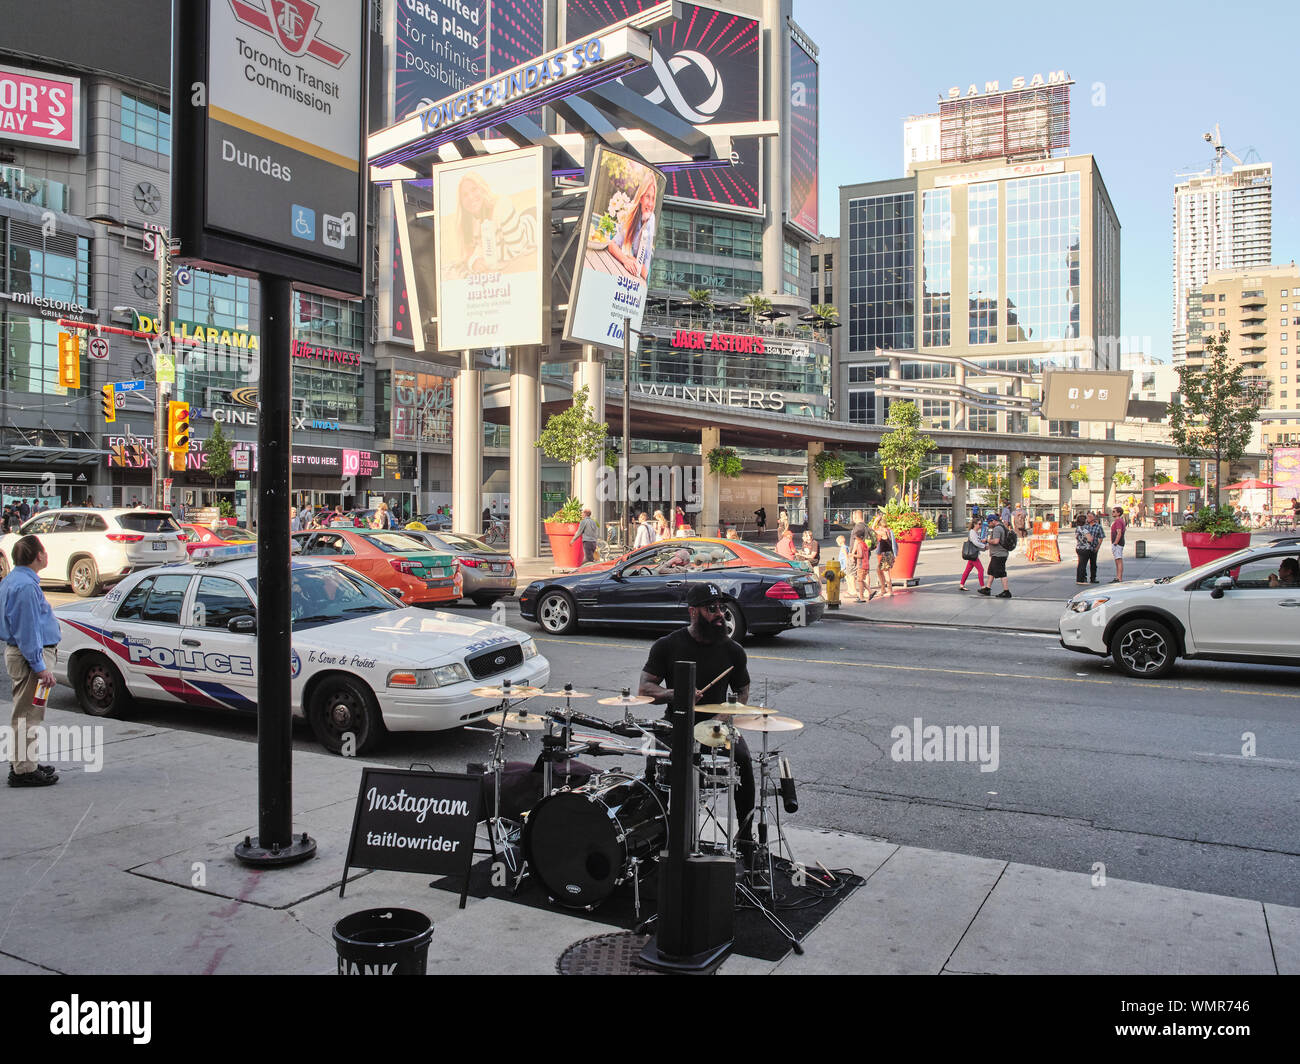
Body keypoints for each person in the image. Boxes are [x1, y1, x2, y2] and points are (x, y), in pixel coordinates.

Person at [638, 581, 755, 857]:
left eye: (721, 608)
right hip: (676, 722)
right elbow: (645, 690)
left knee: (745, 762)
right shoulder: (668, 645)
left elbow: (742, 692)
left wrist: (720, 717)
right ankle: (656, 831)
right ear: (693, 612)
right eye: (711, 608)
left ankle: (746, 836)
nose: (719, 614)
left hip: (716, 726)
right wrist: (676, 694)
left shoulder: (732, 650)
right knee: (654, 768)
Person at [0, 536, 61, 786]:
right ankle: (23, 771)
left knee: (29, 712)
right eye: (44, 552)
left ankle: (26, 763)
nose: (46, 556)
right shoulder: (25, 586)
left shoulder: (14, 580)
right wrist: (40, 667)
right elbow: (28, 630)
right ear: (38, 556)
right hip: (30, 659)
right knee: (28, 714)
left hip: (26, 656)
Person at [607, 170, 659, 282]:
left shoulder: (651, 220)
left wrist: (630, 258)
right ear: (641, 198)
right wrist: (626, 259)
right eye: (647, 197)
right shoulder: (632, 215)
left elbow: (645, 273)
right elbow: (612, 245)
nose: (650, 204)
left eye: (653, 198)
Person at [982, 514, 1012, 598]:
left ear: (993, 521)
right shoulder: (1003, 527)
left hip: (999, 554)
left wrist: (986, 540)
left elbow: (995, 541)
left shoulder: (997, 529)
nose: (988, 524)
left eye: (989, 522)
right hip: (999, 553)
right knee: (991, 571)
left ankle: (1006, 591)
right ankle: (987, 588)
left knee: (1001, 573)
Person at [959, 515, 987, 592]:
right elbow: (975, 543)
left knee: (967, 570)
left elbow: (977, 542)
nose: (980, 525)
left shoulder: (975, 532)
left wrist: (982, 542)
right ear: (975, 524)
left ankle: (962, 584)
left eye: (981, 524)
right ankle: (983, 586)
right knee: (981, 570)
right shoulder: (972, 532)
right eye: (979, 524)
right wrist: (984, 546)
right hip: (973, 554)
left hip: (973, 554)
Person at [871, 515, 895, 599]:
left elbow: (872, 529)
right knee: (879, 570)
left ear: (880, 525)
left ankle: (890, 590)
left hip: (886, 554)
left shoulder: (883, 532)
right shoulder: (888, 530)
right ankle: (883, 588)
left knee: (886, 572)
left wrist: (875, 520)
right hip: (887, 553)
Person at [1075, 512, 1102, 585]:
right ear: (1084, 521)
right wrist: (1091, 538)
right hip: (1085, 548)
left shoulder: (1078, 528)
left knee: (1080, 564)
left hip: (1079, 547)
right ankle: (1081, 580)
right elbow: (1090, 539)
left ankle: (1079, 579)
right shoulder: (1084, 529)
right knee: (1083, 565)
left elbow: (1076, 537)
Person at [849, 524, 869, 603]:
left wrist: (853, 555)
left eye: (855, 537)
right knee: (861, 580)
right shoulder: (865, 544)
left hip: (861, 565)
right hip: (866, 564)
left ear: (858, 537)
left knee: (860, 581)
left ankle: (861, 597)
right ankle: (870, 591)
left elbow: (860, 555)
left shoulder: (860, 545)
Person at [1109, 506, 1128, 583]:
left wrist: (1115, 543)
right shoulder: (1120, 521)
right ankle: (1118, 577)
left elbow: (1119, 533)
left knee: (1118, 560)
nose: (1112, 513)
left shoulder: (1118, 521)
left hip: (1118, 543)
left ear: (1118, 513)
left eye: (1114, 511)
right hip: (1119, 543)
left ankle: (1119, 577)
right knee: (1117, 560)